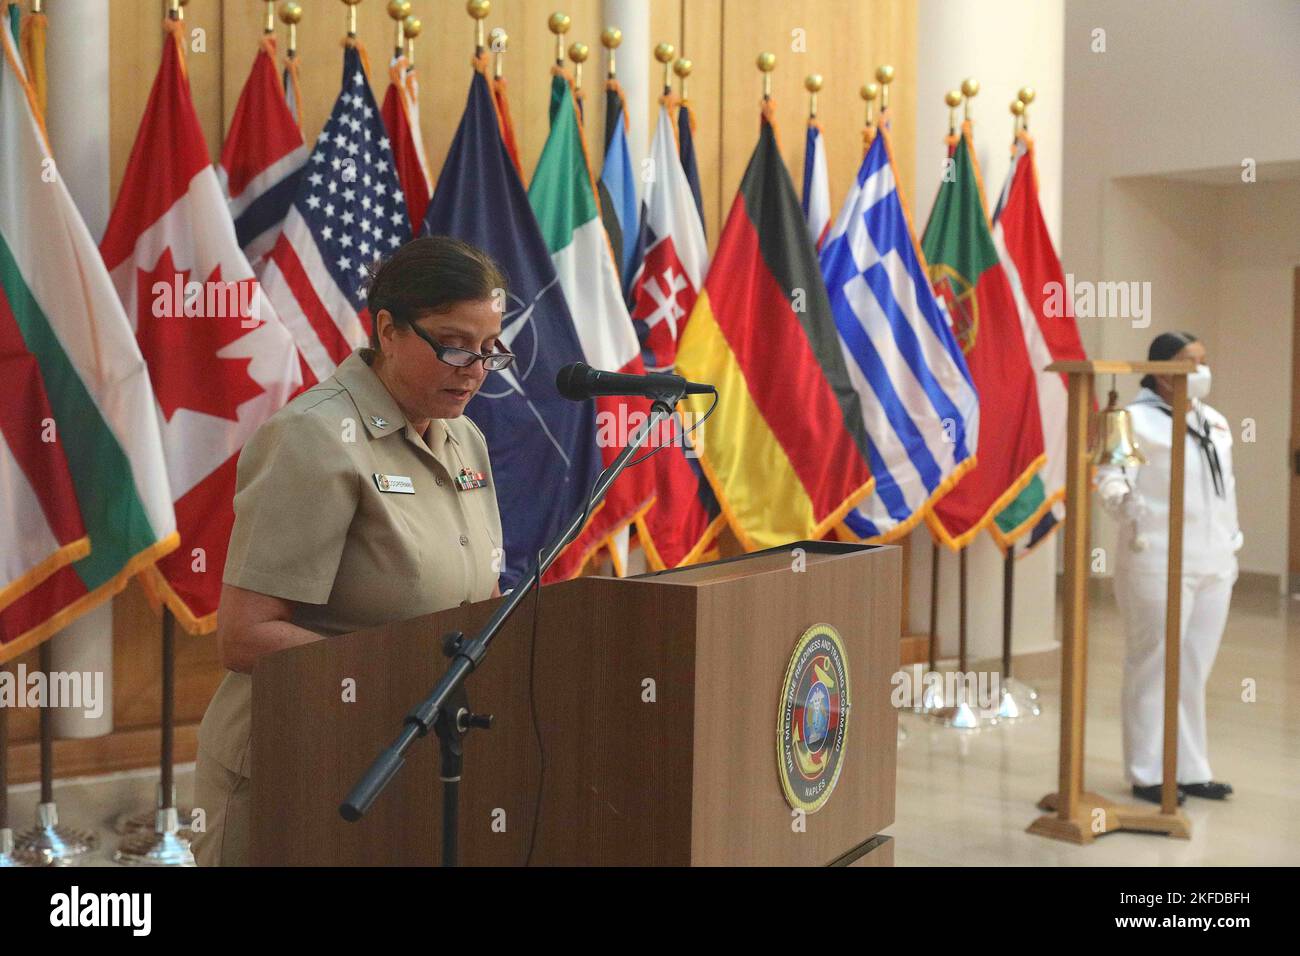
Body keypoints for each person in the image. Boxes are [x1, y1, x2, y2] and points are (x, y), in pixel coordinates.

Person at [192, 237, 511, 866]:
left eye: (488, 349)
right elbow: (246, 636)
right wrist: (408, 671)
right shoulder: (315, 437)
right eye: (452, 343)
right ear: (387, 331)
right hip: (300, 768)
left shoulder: (464, 439)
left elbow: (479, 599)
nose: (472, 367)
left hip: (411, 762)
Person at [1097, 331, 1238, 805]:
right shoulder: (1131, 419)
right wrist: (1130, 508)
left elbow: (1224, 488)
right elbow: (1111, 478)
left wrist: (1231, 542)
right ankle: (1147, 770)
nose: (1201, 369)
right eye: (1189, 361)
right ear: (1161, 370)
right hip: (1156, 559)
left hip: (1214, 562)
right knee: (1153, 664)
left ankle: (1190, 768)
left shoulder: (1213, 420)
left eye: (1203, 359)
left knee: (1193, 669)